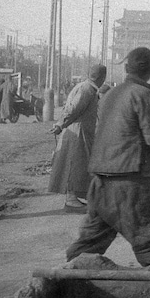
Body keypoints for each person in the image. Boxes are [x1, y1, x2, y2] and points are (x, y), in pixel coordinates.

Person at [65, 47, 150, 266]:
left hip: (99, 184)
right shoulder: (144, 95)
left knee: (86, 247)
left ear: (125, 68)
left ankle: (68, 281)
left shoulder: (109, 94)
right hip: (129, 183)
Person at [49, 64, 106, 213]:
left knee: (81, 165)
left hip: (81, 131)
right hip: (78, 132)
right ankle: (71, 200)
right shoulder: (87, 89)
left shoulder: (86, 87)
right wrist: (60, 125)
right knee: (75, 165)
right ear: (102, 78)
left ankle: (79, 197)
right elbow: (73, 109)